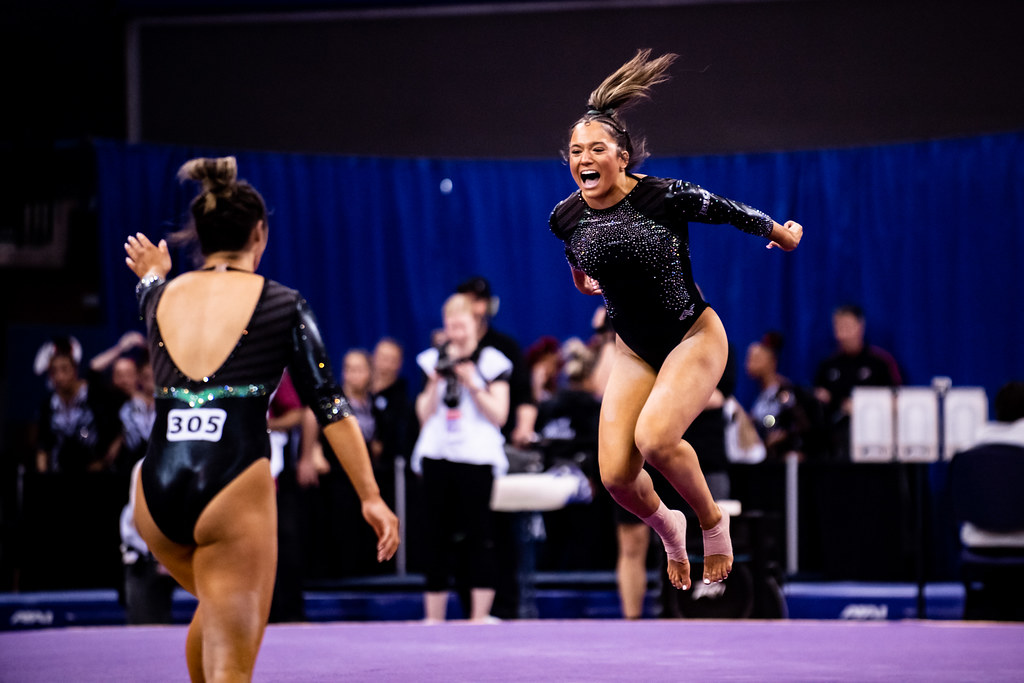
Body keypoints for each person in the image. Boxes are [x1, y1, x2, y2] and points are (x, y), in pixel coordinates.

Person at [123, 156, 398, 681]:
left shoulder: (161, 298)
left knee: (216, 598)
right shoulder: (281, 303)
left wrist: (155, 274)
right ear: (260, 234)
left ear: (199, 237)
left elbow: (149, 293)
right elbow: (329, 403)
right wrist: (371, 497)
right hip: (231, 484)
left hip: (154, 492)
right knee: (232, 659)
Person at [548, 49, 803, 592]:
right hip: (635, 350)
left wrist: (778, 233)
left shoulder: (662, 196)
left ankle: (713, 523)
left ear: (622, 156)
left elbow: (729, 210)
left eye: (596, 149)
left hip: (693, 336)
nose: (584, 159)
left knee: (657, 439)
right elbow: (577, 254)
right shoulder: (565, 216)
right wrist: (580, 278)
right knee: (616, 476)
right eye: (575, 151)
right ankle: (670, 527)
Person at [411, 293, 512, 623]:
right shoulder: (433, 360)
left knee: (479, 533)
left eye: (461, 325)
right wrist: (434, 383)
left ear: (475, 324)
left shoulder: (492, 361)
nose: (455, 332)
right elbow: (423, 415)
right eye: (450, 326)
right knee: (435, 535)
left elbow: (499, 414)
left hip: (476, 455)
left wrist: (473, 383)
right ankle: (433, 617)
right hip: (438, 452)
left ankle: (480, 615)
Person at [813, 304, 902, 460]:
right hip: (836, 439)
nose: (842, 333)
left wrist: (862, 407)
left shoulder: (880, 362)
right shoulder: (827, 365)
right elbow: (818, 401)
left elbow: (897, 400)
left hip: (875, 437)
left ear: (860, 327)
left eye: (847, 326)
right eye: (838, 326)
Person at [746, 331, 816, 461]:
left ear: (772, 361)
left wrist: (784, 436)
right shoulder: (761, 395)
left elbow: (803, 427)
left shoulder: (786, 392)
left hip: (785, 463)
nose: (749, 364)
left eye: (756, 359)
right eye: (749, 359)